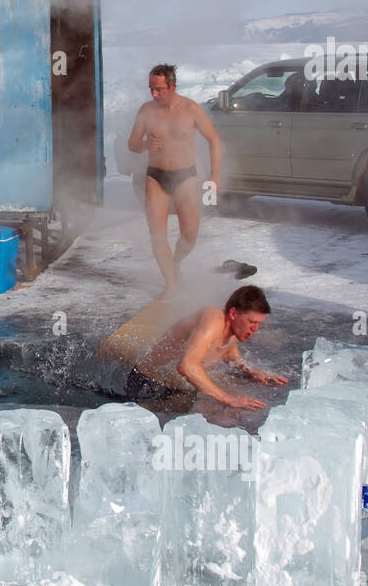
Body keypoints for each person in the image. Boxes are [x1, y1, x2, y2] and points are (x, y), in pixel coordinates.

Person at [127, 64, 222, 300]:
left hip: (185, 177)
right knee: (157, 234)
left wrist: (214, 177)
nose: (154, 94)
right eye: (151, 89)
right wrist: (145, 145)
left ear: (172, 86)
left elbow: (214, 142)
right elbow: (132, 144)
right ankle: (170, 283)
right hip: (156, 177)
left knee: (189, 234)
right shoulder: (146, 111)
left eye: (159, 89)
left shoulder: (190, 109)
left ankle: (176, 261)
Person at [121, 285, 288, 410]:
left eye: (259, 324)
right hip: (146, 384)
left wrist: (250, 369)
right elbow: (186, 366)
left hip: (173, 386)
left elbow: (227, 349)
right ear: (233, 314)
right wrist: (230, 399)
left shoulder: (231, 329)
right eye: (252, 322)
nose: (255, 329)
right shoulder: (213, 319)